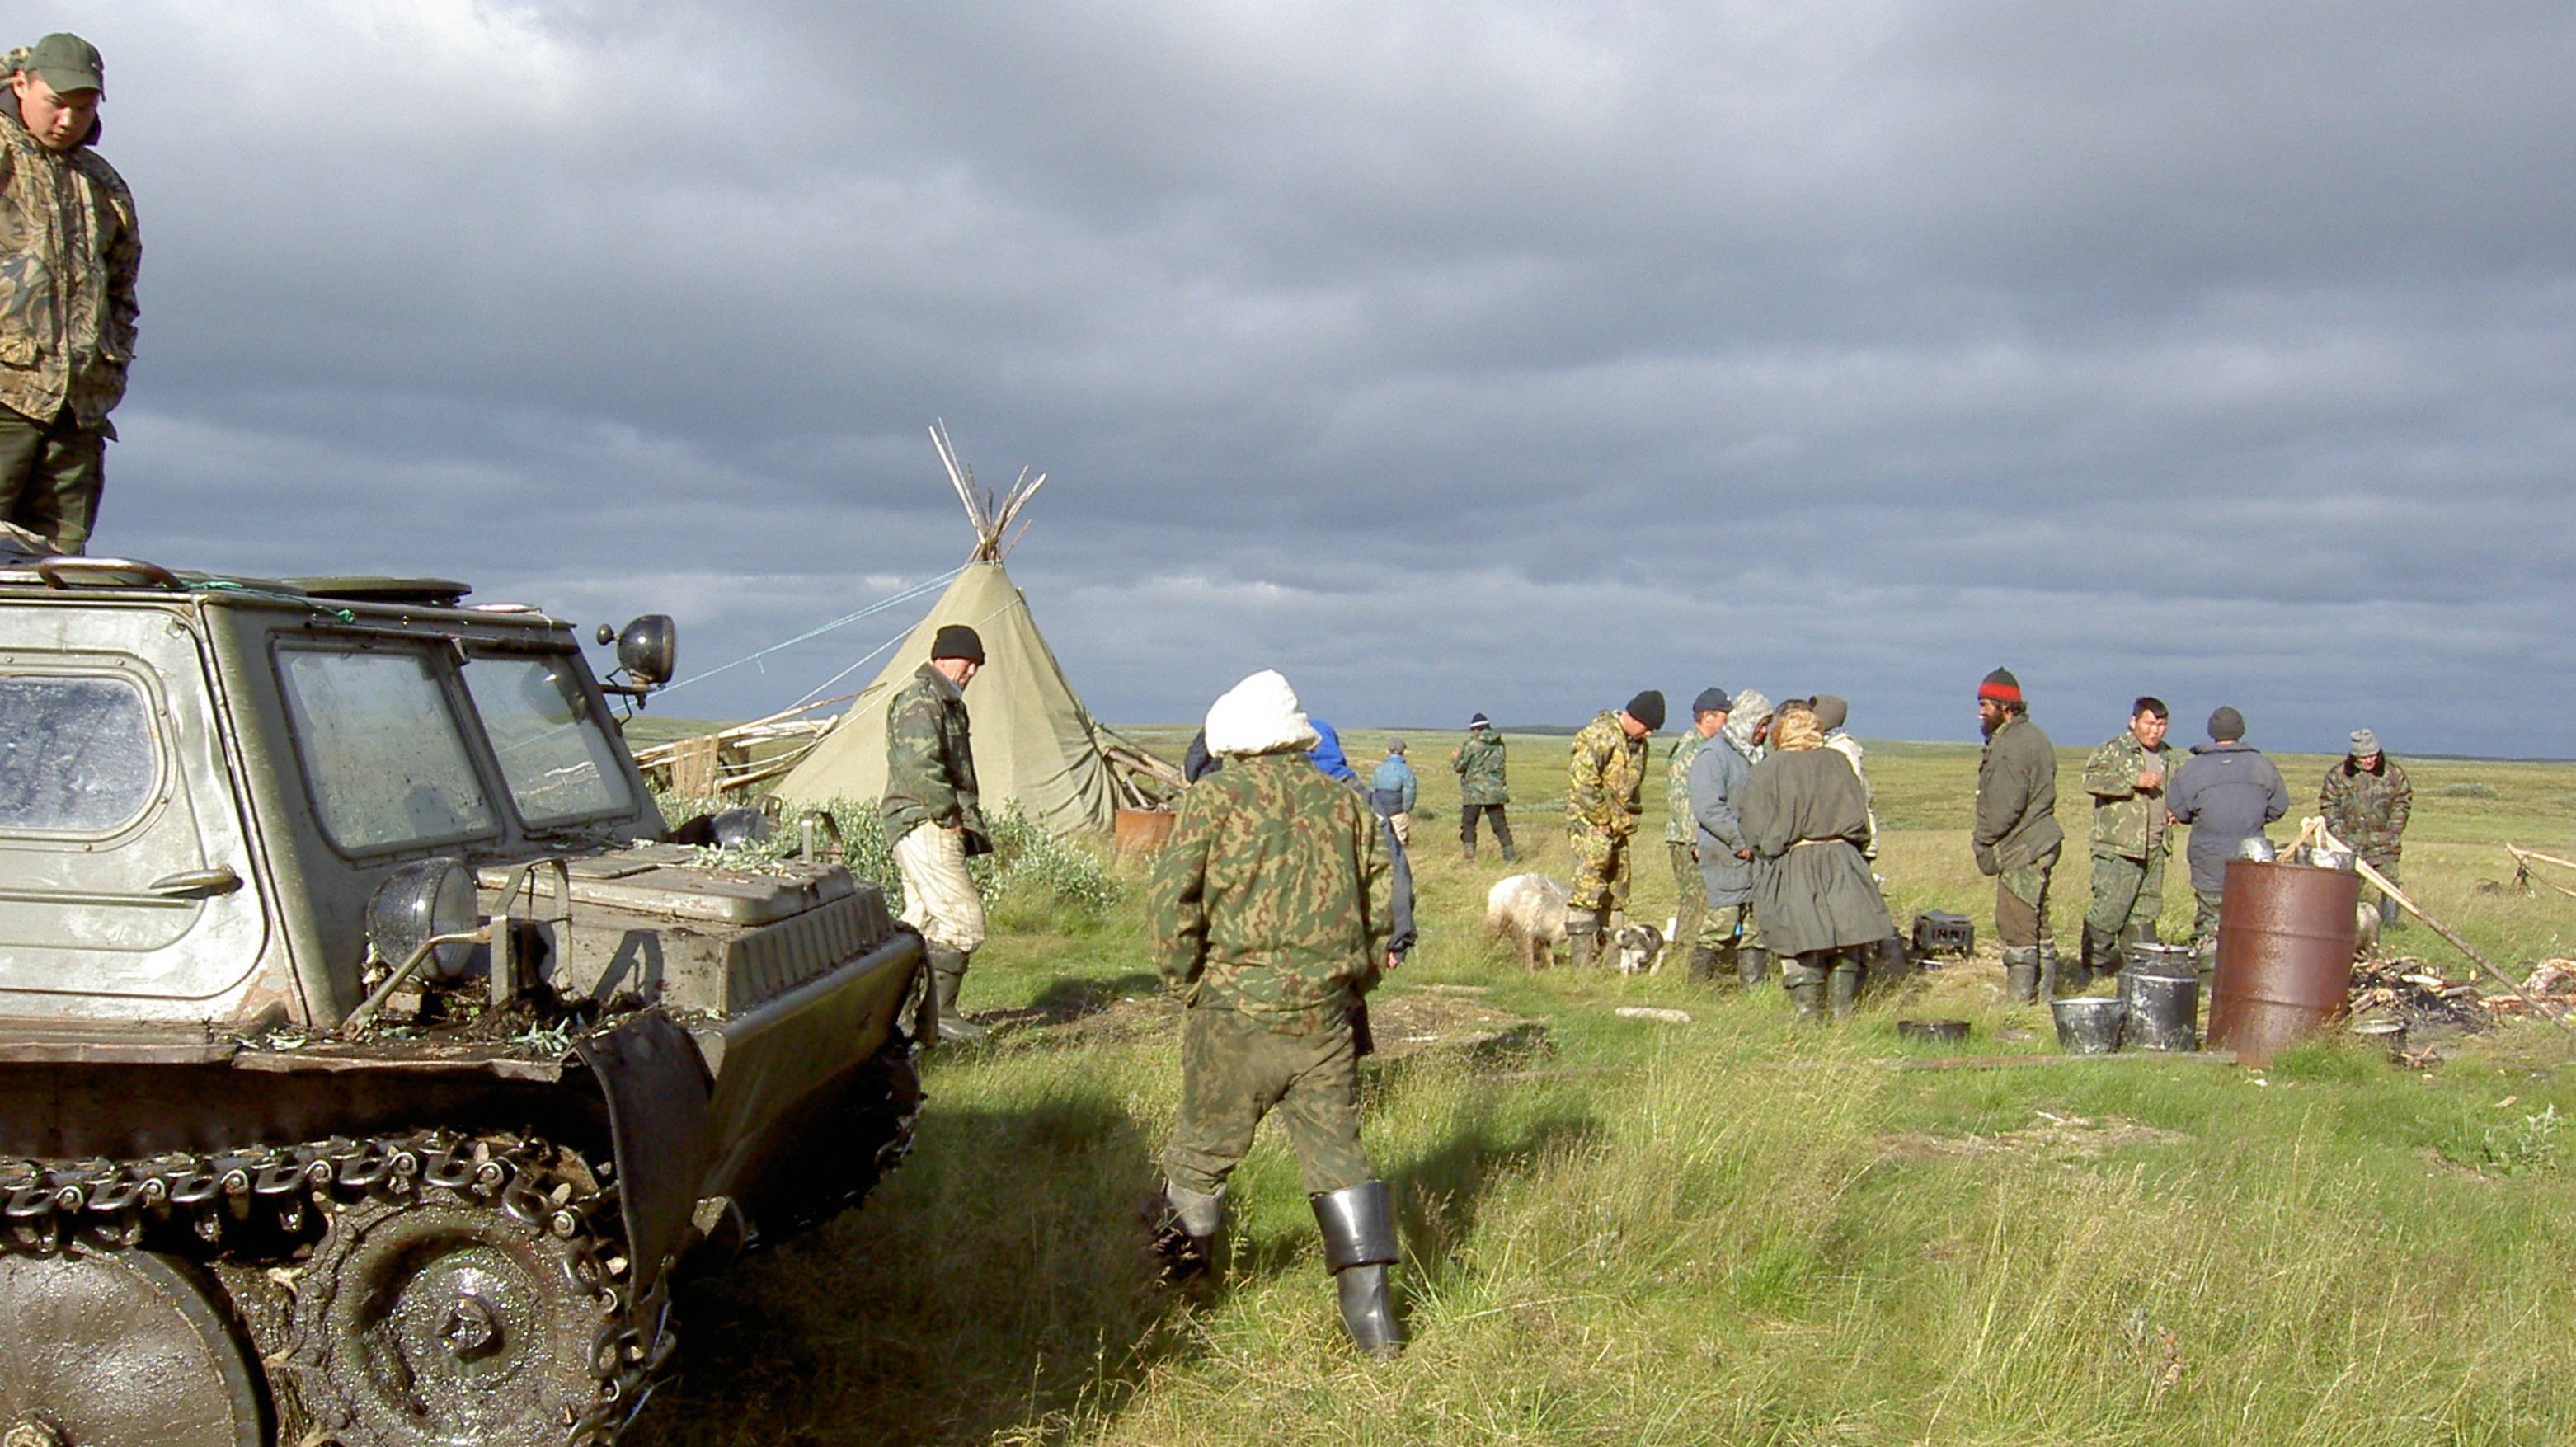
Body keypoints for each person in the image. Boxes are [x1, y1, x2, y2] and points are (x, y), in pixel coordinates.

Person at [1145, 669, 1403, 1359]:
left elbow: (1171, 904)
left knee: (1199, 1158)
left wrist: (1190, 986)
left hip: (1234, 1016)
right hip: (1325, 1020)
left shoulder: (1213, 799)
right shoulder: (1346, 803)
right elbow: (1381, 909)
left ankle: (1178, 1311)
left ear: (1233, 736)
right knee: (1341, 1161)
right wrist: (1352, 985)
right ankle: (1377, 1331)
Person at [2, 34, 139, 556]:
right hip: (5, 399)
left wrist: (109, 366)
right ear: (21, 84)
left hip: (78, 412)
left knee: (62, 570)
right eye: (57, 103)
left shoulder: (103, 184)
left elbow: (122, 288)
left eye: (82, 109)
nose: (67, 120)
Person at [1738, 702, 1894, 1021]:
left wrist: (1773, 848)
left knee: (1800, 938)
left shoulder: (1769, 769)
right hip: (1843, 860)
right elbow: (1859, 818)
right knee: (1845, 937)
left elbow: (1755, 828)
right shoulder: (1838, 763)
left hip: (1794, 862)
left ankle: (1809, 1015)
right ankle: (1842, 1013)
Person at [881, 624, 992, 1043]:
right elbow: (919, 766)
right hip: (925, 822)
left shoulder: (945, 703)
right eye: (968, 662)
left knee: (920, 923)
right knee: (963, 921)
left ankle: (902, 1018)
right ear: (944, 658)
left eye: (977, 665)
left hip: (921, 821)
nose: (972, 672)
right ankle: (941, 1015)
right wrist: (948, 815)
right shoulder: (921, 701)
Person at [2164, 706, 2291, 975]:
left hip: (2208, 857)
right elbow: (2279, 806)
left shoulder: (2192, 769)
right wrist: (2252, 820)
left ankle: (2209, 978)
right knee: (2249, 918)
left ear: (2212, 731)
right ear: (2241, 730)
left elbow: (2179, 811)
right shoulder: (2262, 766)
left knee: (2211, 918)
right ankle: (2245, 975)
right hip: (2252, 858)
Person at [1971, 668, 2063, 1003]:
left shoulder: (2010, 746)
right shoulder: (2035, 736)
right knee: (2038, 922)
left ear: (2006, 708)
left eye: (1986, 705)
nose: (1980, 713)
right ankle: (2044, 997)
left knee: (2017, 924)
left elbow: (2004, 807)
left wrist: (1982, 841)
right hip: (2041, 840)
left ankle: (2021, 1003)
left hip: (2023, 846)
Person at [2078, 697, 2177, 985]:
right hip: (2118, 846)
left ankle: (2138, 972)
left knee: (2145, 911)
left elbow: (2173, 790)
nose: (2155, 731)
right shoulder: (2114, 749)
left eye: (2161, 725)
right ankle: (2094, 970)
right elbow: (2091, 780)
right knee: (2110, 909)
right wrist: (2134, 779)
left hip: (2154, 846)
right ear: (2133, 722)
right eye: (2150, 723)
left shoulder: (2168, 755)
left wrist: (2173, 810)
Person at [1564, 691, 1661, 967]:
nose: (1649, 734)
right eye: (1647, 726)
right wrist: (1602, 818)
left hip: (1619, 829)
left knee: (1618, 891)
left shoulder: (1638, 744)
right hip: (1591, 825)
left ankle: (1614, 960)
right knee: (1588, 888)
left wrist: (1623, 821)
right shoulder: (1601, 735)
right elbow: (1583, 780)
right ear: (1634, 716)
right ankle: (1582, 962)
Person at [1689, 688, 1773, 984]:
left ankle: (1753, 987)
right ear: (1747, 720)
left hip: (1757, 855)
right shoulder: (1714, 755)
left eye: (1767, 725)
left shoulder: (1758, 756)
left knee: (1756, 924)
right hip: (1725, 852)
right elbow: (1708, 807)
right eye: (1761, 724)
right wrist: (1739, 840)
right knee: (1722, 922)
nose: (1765, 731)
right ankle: (1698, 984)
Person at [2320, 728, 2411, 930]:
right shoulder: (2337, 776)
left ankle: (2390, 925)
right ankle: (2344, 923)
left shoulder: (2394, 775)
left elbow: (2402, 803)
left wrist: (2393, 831)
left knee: (2390, 884)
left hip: (2384, 843)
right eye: (2364, 757)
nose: (2369, 760)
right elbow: (2328, 805)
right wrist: (2340, 834)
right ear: (2355, 756)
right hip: (2349, 845)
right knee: (2348, 885)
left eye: (2373, 755)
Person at [1664, 689, 1728, 978]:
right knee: (1695, 901)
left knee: (1707, 900)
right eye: (1724, 716)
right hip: (1687, 840)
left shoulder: (1711, 748)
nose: (1727, 722)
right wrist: (1694, 840)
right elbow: (1681, 799)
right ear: (1708, 717)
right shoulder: (1690, 749)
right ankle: (1683, 960)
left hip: (1704, 838)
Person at [1450, 713, 1515, 862]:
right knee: (1500, 826)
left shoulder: (1472, 744)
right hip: (1495, 791)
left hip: (1474, 792)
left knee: (1469, 825)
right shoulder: (1500, 744)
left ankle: (1470, 858)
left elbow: (1460, 767)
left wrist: (1455, 758)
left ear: (1475, 729)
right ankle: (1510, 858)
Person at [1370, 738, 1417, 847]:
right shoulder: (1406, 771)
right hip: (1398, 809)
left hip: (1379, 807)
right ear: (1404, 751)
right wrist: (1407, 808)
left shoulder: (1379, 769)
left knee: (1380, 837)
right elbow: (1409, 792)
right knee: (1399, 838)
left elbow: (1372, 789)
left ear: (1387, 751)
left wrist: (1374, 806)